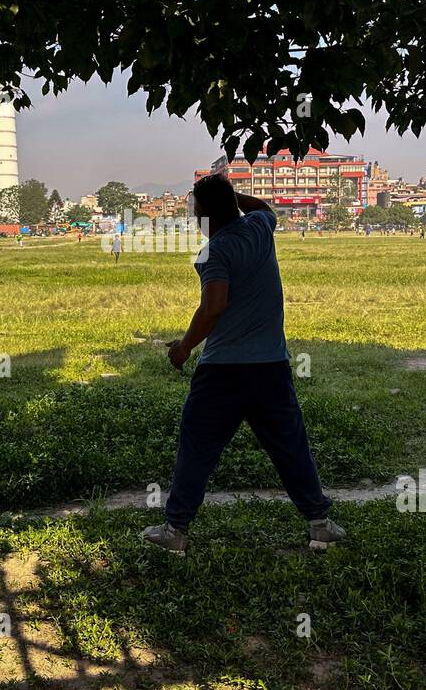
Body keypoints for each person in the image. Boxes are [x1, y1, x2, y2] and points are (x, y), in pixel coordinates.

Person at [143, 174, 344, 555]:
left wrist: (184, 348)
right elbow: (264, 209)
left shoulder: (213, 252)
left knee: (197, 448)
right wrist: (232, 197)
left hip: (222, 371)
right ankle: (320, 525)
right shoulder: (259, 228)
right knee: (290, 447)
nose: (192, 218)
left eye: (195, 211)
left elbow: (214, 305)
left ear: (204, 216)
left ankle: (176, 530)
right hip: (271, 367)